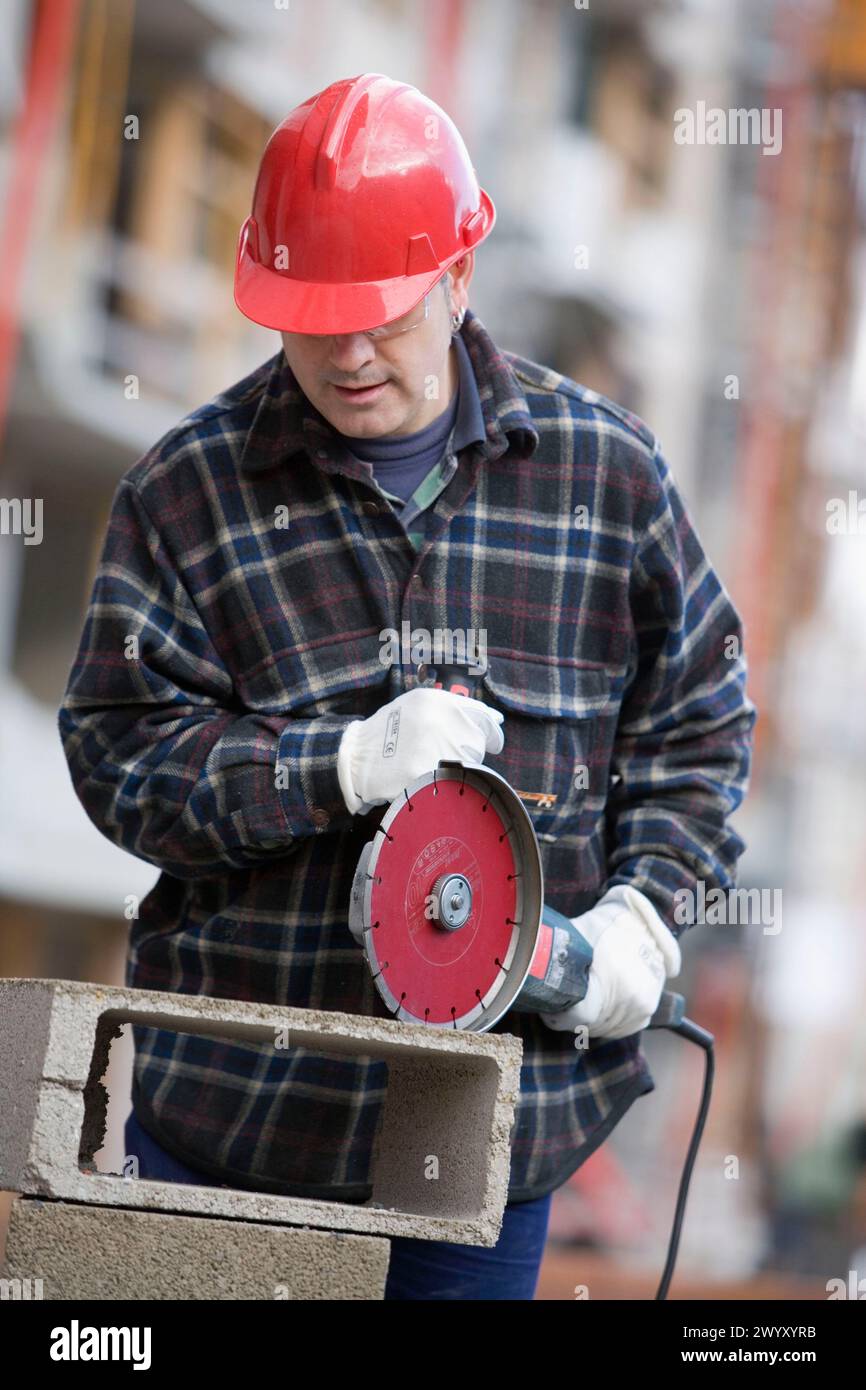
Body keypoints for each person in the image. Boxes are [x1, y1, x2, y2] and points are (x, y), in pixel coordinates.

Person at [58, 73, 756, 1300]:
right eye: (310, 317)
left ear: (457, 277)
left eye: (378, 312)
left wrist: (644, 919)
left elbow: (695, 726)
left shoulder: (608, 478)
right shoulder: (186, 494)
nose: (347, 351)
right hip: (232, 1121)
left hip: (483, 1142)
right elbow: (118, 755)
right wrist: (328, 767)